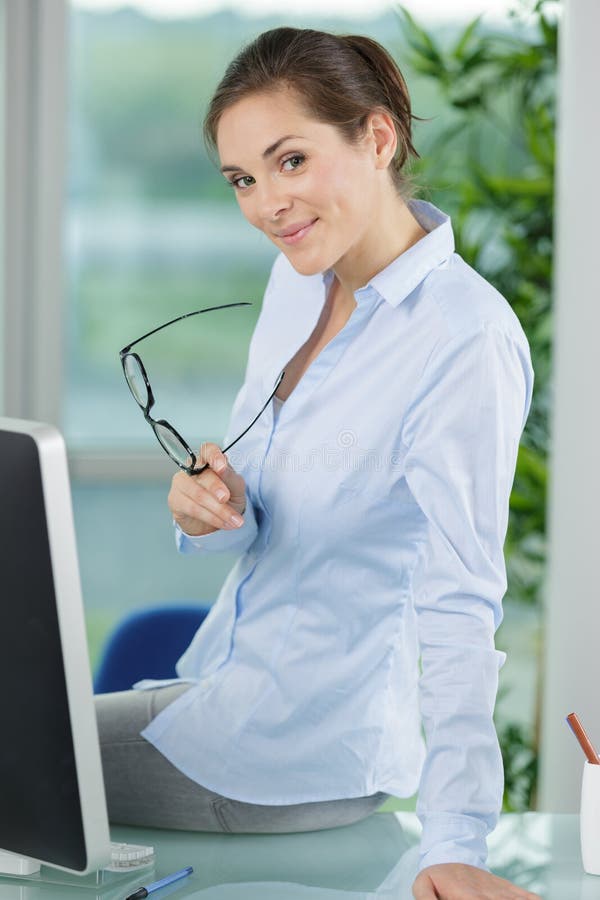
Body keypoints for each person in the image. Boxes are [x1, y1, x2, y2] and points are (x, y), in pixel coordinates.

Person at [96, 26, 539, 900]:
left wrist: (457, 844)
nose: (266, 204)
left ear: (376, 138)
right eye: (243, 180)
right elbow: (268, 508)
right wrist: (212, 507)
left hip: (298, 750)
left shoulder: (465, 339)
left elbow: (460, 607)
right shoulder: (299, 280)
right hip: (216, 693)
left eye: (289, 161)